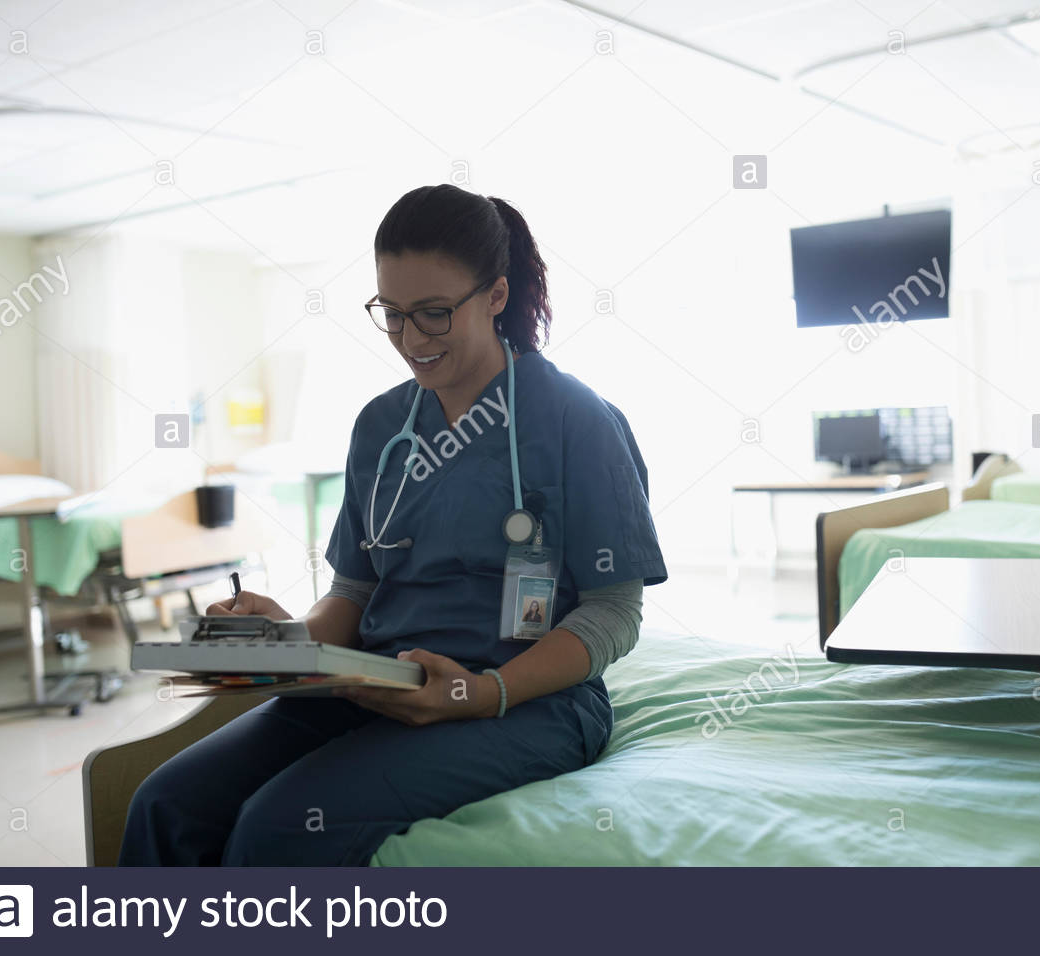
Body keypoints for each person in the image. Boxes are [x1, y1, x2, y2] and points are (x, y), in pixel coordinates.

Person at [118, 184, 667, 865]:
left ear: (496, 295)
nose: (411, 339)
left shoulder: (576, 420)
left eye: (435, 314)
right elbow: (355, 592)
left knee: (279, 828)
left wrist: (482, 692)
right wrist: (288, 644)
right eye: (392, 313)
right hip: (380, 686)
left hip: (528, 702)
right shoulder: (382, 428)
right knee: (164, 803)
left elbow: (615, 612)